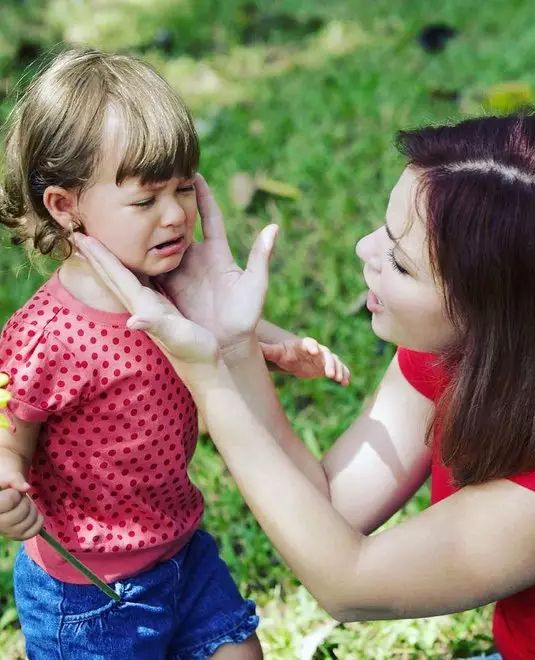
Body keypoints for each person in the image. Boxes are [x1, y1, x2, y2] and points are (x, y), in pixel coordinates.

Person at [76, 110, 535, 660]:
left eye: (401, 264)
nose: (364, 250)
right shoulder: (471, 345)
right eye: (385, 228)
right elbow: (332, 508)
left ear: (500, 310)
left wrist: (211, 383)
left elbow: (350, 583)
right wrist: (233, 347)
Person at [0, 48, 348, 659]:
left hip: (182, 548)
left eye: (184, 189)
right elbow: (9, 422)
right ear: (65, 205)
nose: (175, 216)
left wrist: (279, 345)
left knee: (242, 653)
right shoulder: (46, 333)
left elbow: (217, 326)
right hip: (89, 591)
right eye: (145, 200)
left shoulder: (171, 281)